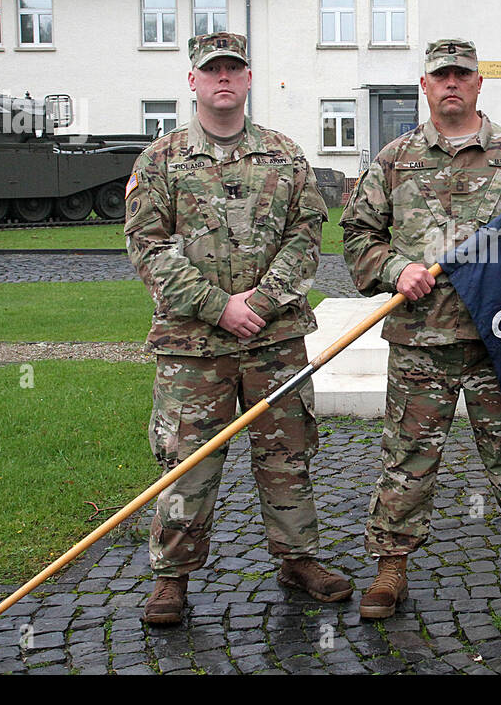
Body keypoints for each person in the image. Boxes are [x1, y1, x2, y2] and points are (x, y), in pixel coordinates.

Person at [341, 38, 501, 619]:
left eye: (461, 75)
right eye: (440, 75)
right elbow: (358, 235)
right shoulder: (395, 160)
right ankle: (391, 566)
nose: (451, 84)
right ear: (424, 85)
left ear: (477, 83)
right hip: (422, 340)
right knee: (409, 456)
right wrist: (396, 269)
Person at [125, 31, 351, 624]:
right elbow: (148, 249)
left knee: (287, 452)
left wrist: (266, 299)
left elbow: (306, 237)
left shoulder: (285, 155)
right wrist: (216, 305)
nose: (223, 78)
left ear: (249, 79)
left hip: (273, 340)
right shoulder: (161, 161)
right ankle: (172, 577)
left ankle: (298, 558)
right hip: (192, 346)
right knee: (186, 460)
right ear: (193, 81)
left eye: (234, 69)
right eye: (211, 70)